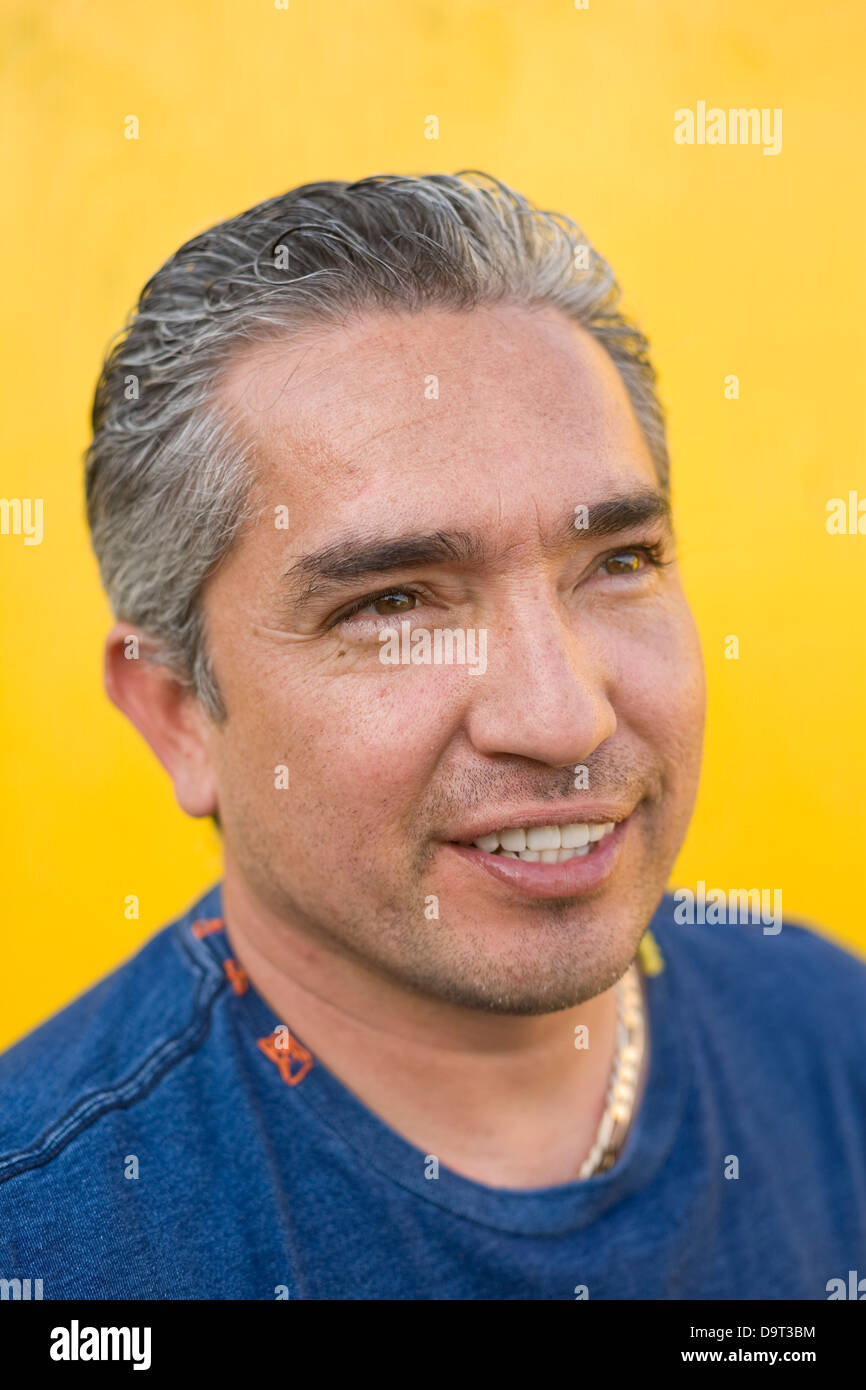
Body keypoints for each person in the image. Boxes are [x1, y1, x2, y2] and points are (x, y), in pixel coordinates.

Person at [1, 172, 863, 1300]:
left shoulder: (827, 1036)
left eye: (617, 563)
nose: (562, 717)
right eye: (393, 603)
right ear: (176, 712)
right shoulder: (48, 1239)